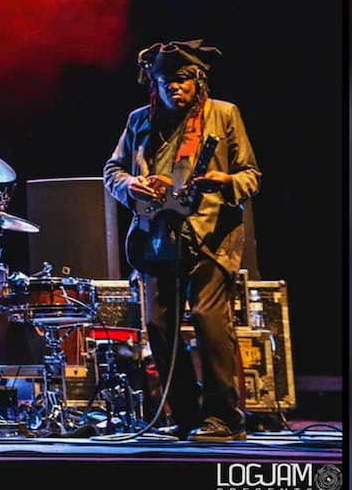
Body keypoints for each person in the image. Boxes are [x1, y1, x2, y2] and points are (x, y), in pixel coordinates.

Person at [103, 40, 261, 441]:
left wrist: (225, 181)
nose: (173, 87)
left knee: (209, 322)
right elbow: (112, 171)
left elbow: (250, 176)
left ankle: (224, 418)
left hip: (209, 237)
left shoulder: (223, 114)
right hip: (156, 236)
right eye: (165, 81)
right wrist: (130, 185)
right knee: (158, 327)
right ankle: (187, 416)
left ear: (198, 82)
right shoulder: (140, 121)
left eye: (181, 80)